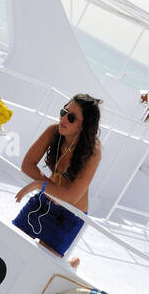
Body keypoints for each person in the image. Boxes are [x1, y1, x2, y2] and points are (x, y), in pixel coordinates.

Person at [12, 94, 103, 265]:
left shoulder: (92, 151)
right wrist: (47, 187)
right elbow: (27, 164)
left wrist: (41, 184)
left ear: (85, 125)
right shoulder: (54, 131)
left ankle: (71, 263)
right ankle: (65, 262)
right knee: (13, 245)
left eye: (71, 117)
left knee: (41, 264)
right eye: (63, 112)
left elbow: (72, 197)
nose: (63, 119)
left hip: (69, 215)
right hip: (45, 200)